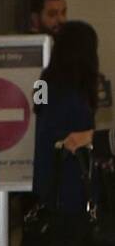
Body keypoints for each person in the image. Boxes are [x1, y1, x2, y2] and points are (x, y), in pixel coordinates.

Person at [33, 20, 99, 212]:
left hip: (46, 179)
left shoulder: (43, 81)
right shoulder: (78, 92)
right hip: (72, 184)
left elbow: (39, 112)